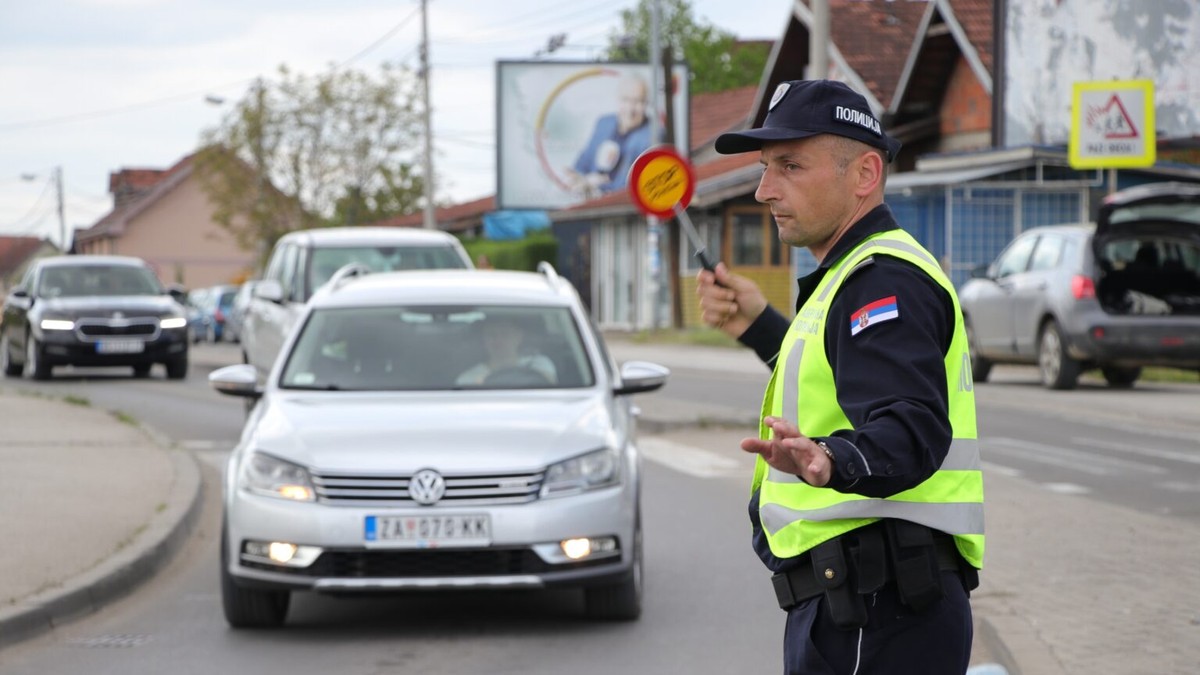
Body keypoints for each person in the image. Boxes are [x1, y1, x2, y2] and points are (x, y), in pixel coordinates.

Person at [696, 79, 984, 674]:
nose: (763, 189)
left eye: (790, 166)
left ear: (864, 174)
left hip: (877, 607)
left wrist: (832, 458)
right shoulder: (853, 275)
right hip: (870, 602)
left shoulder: (881, 280)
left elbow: (911, 426)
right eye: (765, 167)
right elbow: (844, 382)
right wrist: (758, 325)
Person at [563, 73, 656, 199]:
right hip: (589, 204)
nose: (630, 109)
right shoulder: (604, 123)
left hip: (624, 210)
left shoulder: (653, 135)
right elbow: (583, 163)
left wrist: (596, 184)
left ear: (646, 104)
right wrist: (578, 177)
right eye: (626, 100)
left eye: (638, 102)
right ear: (618, 100)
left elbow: (635, 186)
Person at [455, 315, 556, 386]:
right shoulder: (467, 379)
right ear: (483, 340)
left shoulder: (539, 364)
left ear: (519, 337)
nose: (498, 340)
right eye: (491, 335)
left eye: (505, 334)